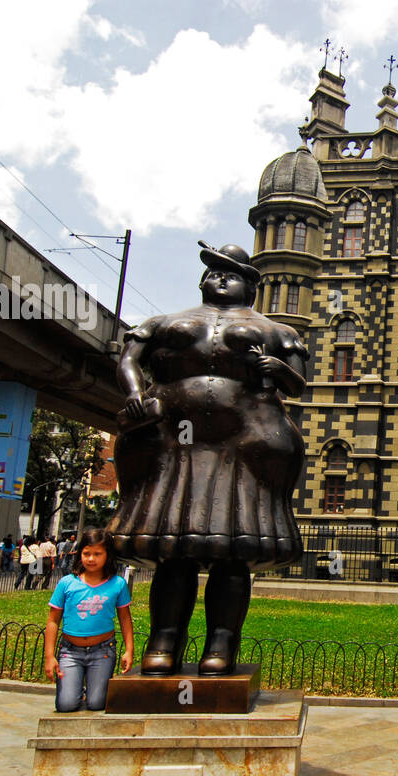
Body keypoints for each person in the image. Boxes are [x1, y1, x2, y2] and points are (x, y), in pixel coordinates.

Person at [107, 242, 307, 676]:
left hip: (246, 443)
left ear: (251, 287)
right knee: (174, 547)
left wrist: (277, 368)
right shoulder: (164, 322)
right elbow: (129, 360)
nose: (219, 279)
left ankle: (222, 642)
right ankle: (164, 639)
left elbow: (296, 386)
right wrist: (136, 395)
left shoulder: (276, 330)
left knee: (234, 549)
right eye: (214, 272)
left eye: (230, 274)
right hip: (175, 442)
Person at [43, 528, 134, 712]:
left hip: (103, 651)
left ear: (107, 556)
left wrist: (129, 650)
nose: (91, 559)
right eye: (87, 553)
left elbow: (125, 618)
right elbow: (53, 620)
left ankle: (90, 690)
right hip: (70, 651)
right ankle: (76, 689)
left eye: (97, 554)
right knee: (66, 705)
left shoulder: (117, 584)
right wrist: (49, 656)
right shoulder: (67, 583)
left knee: (97, 703)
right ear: (80, 554)